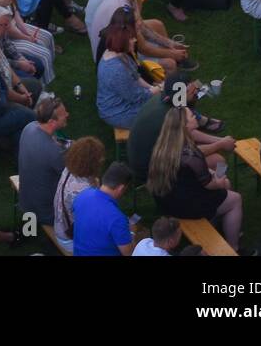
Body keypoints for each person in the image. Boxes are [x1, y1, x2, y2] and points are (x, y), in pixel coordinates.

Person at [148, 106, 243, 250]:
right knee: (235, 199)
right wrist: (220, 181)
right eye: (192, 116)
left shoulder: (162, 146)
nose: (195, 117)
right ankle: (234, 247)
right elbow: (210, 185)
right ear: (185, 125)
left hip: (165, 200)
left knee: (221, 184)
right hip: (185, 206)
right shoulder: (191, 155)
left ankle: (220, 223)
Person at [86, 0, 189, 76]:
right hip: (112, 58)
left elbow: (142, 27)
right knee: (170, 63)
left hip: (120, 44)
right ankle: (167, 89)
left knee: (157, 25)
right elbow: (143, 48)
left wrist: (168, 43)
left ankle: (172, 64)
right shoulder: (122, 11)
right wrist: (171, 54)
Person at [127, 80, 234, 185]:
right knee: (217, 161)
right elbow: (191, 153)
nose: (197, 93)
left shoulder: (166, 104)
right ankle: (217, 192)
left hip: (145, 160)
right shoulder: (169, 116)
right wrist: (220, 144)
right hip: (150, 172)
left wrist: (219, 140)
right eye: (192, 92)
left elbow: (187, 132)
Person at [96, 18, 162, 129]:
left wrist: (152, 87)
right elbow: (138, 97)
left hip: (127, 100)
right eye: (131, 38)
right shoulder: (116, 70)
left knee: (170, 99)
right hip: (120, 112)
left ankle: (195, 119)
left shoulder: (119, 54)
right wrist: (159, 88)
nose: (135, 40)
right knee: (166, 109)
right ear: (122, 42)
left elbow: (135, 76)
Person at [18, 95, 68, 228]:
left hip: (26, 200)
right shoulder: (54, 152)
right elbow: (71, 177)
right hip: (46, 212)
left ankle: (28, 232)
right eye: (64, 115)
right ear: (52, 122)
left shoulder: (29, 128)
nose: (67, 115)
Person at [53, 137, 105, 252]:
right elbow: (93, 223)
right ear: (91, 162)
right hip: (70, 239)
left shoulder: (69, 169)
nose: (102, 159)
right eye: (99, 157)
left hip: (61, 227)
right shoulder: (85, 192)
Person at [72, 161, 134, 256]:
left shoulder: (82, 195)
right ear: (121, 188)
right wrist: (133, 233)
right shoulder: (117, 218)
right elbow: (129, 253)